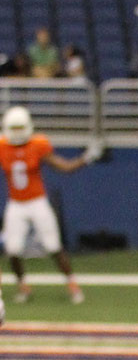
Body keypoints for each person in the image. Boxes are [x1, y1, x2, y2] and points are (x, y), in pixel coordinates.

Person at [0, 106, 101, 304]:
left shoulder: (38, 144)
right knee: (12, 249)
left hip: (37, 201)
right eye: (14, 128)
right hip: (16, 204)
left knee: (54, 246)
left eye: (20, 128)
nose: (18, 133)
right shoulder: (2, 145)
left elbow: (64, 166)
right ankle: (23, 286)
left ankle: (72, 284)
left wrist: (86, 158)